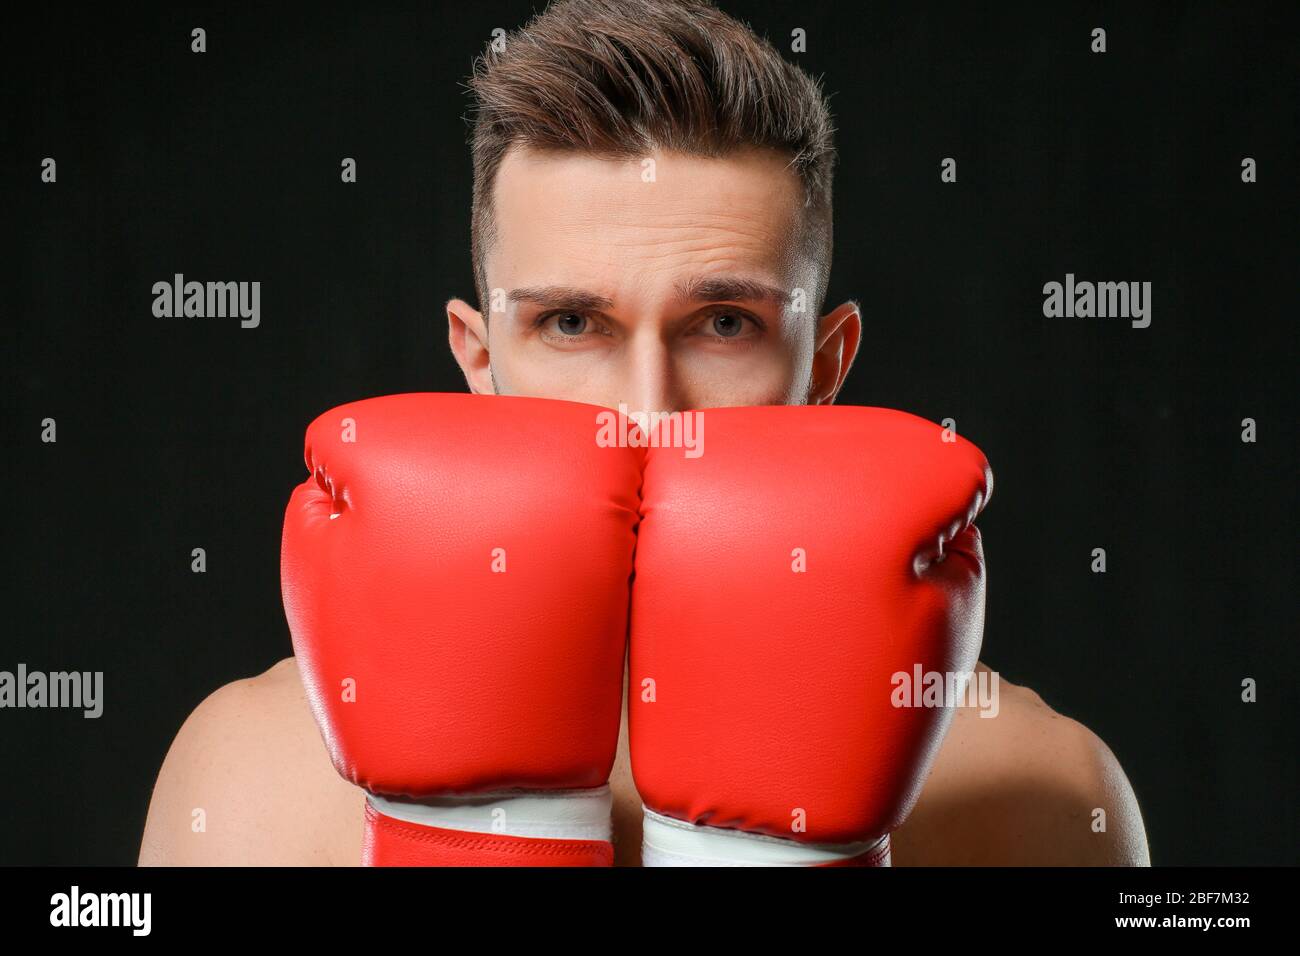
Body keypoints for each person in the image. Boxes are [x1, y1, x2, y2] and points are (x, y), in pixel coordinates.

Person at [139, 0, 1148, 866]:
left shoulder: (1042, 787)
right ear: (478, 357)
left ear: (826, 368)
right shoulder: (249, 773)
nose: (650, 416)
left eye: (724, 324)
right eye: (572, 324)